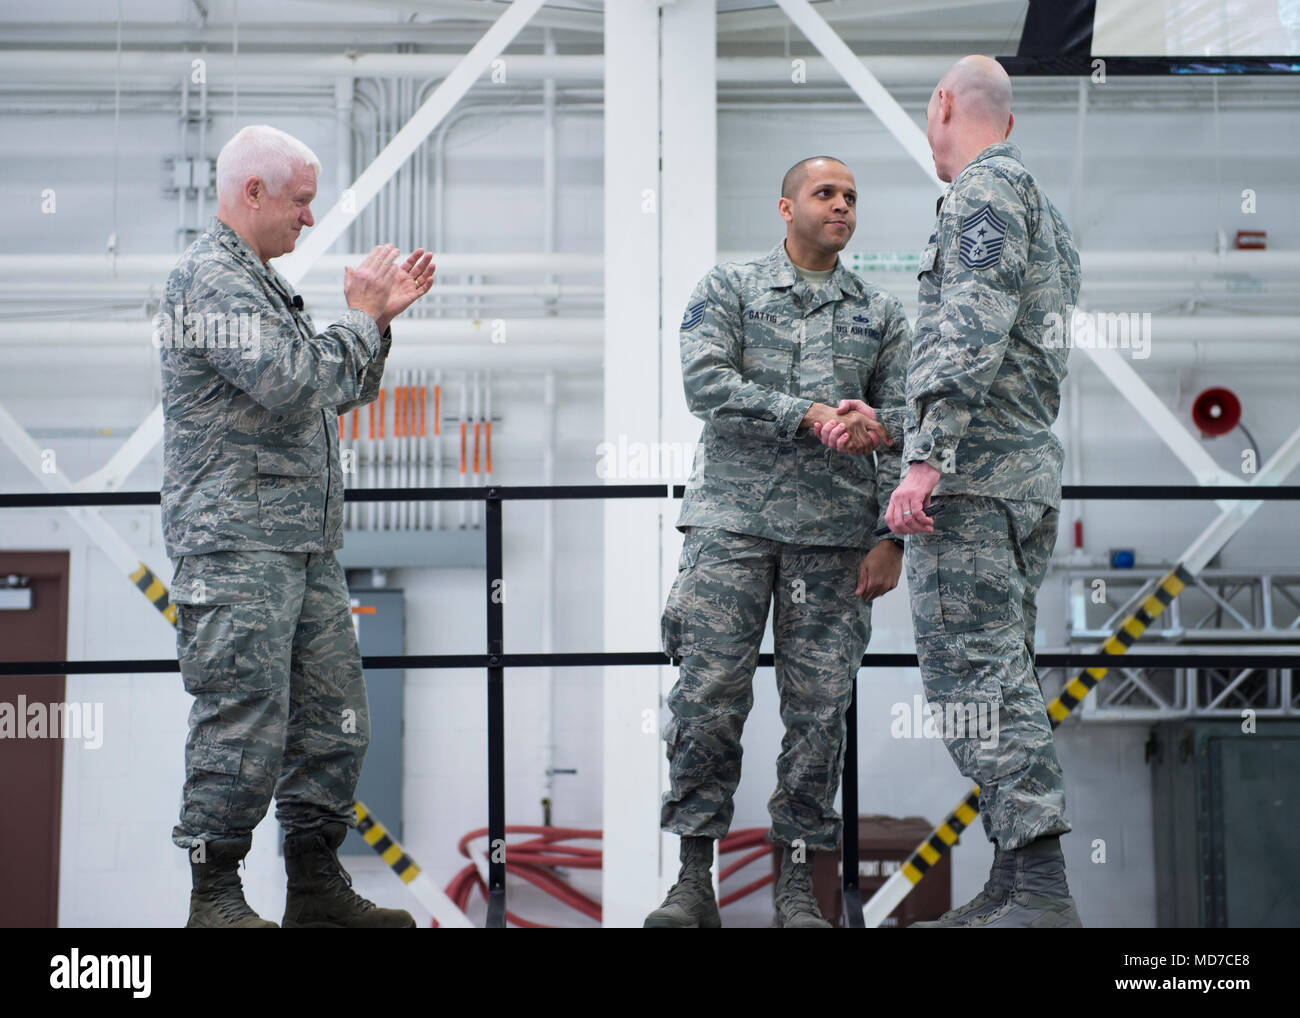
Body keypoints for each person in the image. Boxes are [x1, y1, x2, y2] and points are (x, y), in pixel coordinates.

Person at [159, 124, 435, 928]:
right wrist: (360, 318)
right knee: (241, 714)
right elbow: (291, 379)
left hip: (301, 543)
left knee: (334, 715)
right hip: (236, 542)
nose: (309, 220)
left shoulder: (261, 283)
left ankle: (314, 887)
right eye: (301, 202)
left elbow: (329, 390)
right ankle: (215, 897)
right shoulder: (209, 279)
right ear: (253, 192)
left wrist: (374, 325)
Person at [648, 156, 912, 928]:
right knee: (705, 700)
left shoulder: (882, 314)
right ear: (785, 205)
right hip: (731, 529)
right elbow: (706, 386)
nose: (841, 207)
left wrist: (892, 536)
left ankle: (797, 884)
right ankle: (695, 880)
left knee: (819, 714)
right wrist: (809, 414)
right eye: (825, 194)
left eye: (851, 198)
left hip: (836, 544)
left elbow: (901, 427)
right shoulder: (727, 289)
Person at [881, 56, 1083, 927]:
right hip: (1017, 474)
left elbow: (969, 323)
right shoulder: (1045, 209)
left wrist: (926, 456)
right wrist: (895, 422)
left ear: (943, 106)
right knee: (1000, 671)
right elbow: (1005, 353)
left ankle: (1042, 891)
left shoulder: (982, 192)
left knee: (978, 682)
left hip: (973, 480)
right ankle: (1011, 881)